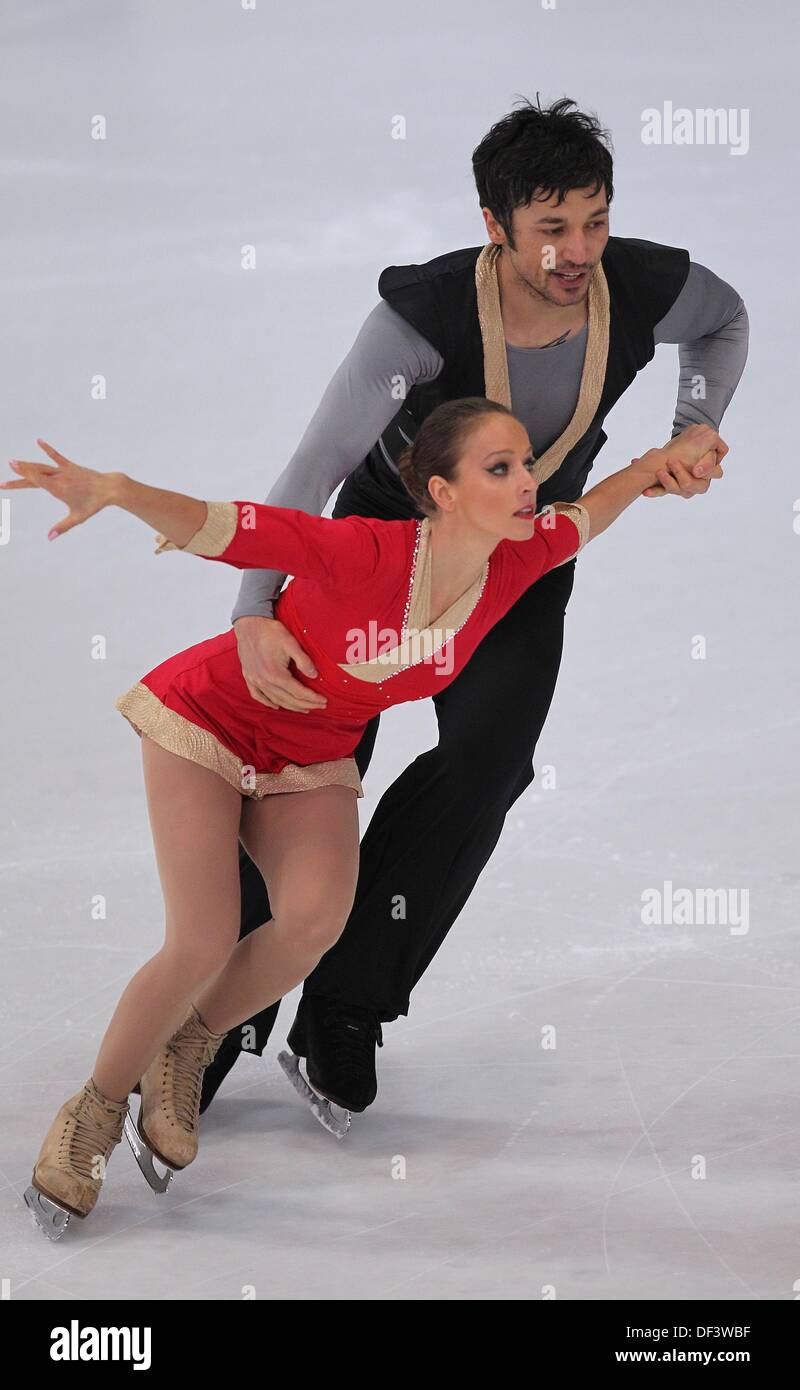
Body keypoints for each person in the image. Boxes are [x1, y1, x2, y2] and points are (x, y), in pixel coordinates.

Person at [5, 403, 725, 1236]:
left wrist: (663, 458)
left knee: (315, 917)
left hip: (311, 755)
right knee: (202, 937)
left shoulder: (518, 561)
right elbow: (234, 529)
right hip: (210, 721)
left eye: (526, 463)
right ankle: (91, 1112)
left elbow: (597, 507)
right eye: (500, 469)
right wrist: (118, 490)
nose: (529, 481)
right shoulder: (367, 550)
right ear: (442, 493)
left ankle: (192, 1042)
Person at [202, 96, 748, 1118]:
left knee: (486, 766)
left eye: (592, 219)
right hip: (375, 555)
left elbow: (721, 320)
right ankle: (227, 1005)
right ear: (494, 223)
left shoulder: (637, 284)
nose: (577, 249)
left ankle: (347, 1005)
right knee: (306, 767)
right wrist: (252, 606)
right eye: (550, 228)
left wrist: (694, 426)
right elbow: (316, 463)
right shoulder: (422, 316)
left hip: (516, 569)